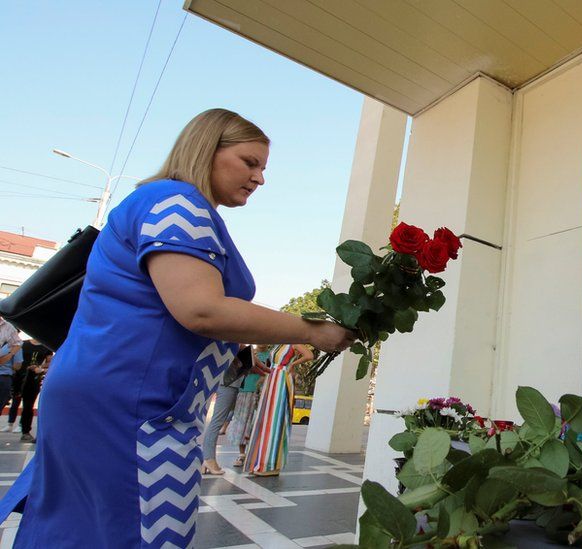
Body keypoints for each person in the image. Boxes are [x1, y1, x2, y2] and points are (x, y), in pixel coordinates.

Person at [0, 109, 357, 548]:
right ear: (208, 149)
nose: (259, 178)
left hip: (120, 397)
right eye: (250, 162)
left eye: (262, 167)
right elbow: (201, 310)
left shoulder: (169, 203)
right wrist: (312, 330)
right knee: (138, 533)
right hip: (132, 407)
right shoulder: (177, 204)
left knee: (76, 529)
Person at [243, 343, 312, 476]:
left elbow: (309, 355)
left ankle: (271, 465)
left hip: (282, 379)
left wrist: (293, 364)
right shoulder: (279, 343)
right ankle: (259, 463)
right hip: (272, 377)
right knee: (265, 419)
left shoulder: (295, 342)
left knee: (276, 419)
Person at [200, 344, 270, 474]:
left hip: (230, 382)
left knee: (217, 421)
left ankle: (207, 459)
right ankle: (208, 458)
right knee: (217, 421)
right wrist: (262, 366)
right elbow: (241, 348)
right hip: (228, 383)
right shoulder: (235, 341)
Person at [227, 345, 270, 467]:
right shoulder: (250, 353)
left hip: (261, 393)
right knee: (242, 422)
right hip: (244, 391)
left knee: (258, 423)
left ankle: (256, 454)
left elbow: (269, 373)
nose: (262, 342)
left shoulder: (270, 356)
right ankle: (241, 454)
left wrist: (261, 382)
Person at [4, 339, 52, 442]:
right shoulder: (23, 344)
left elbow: (49, 362)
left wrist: (39, 367)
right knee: (12, 401)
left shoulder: (46, 347)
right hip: (18, 377)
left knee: (28, 406)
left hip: (33, 379)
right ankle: (10, 423)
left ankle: (25, 431)